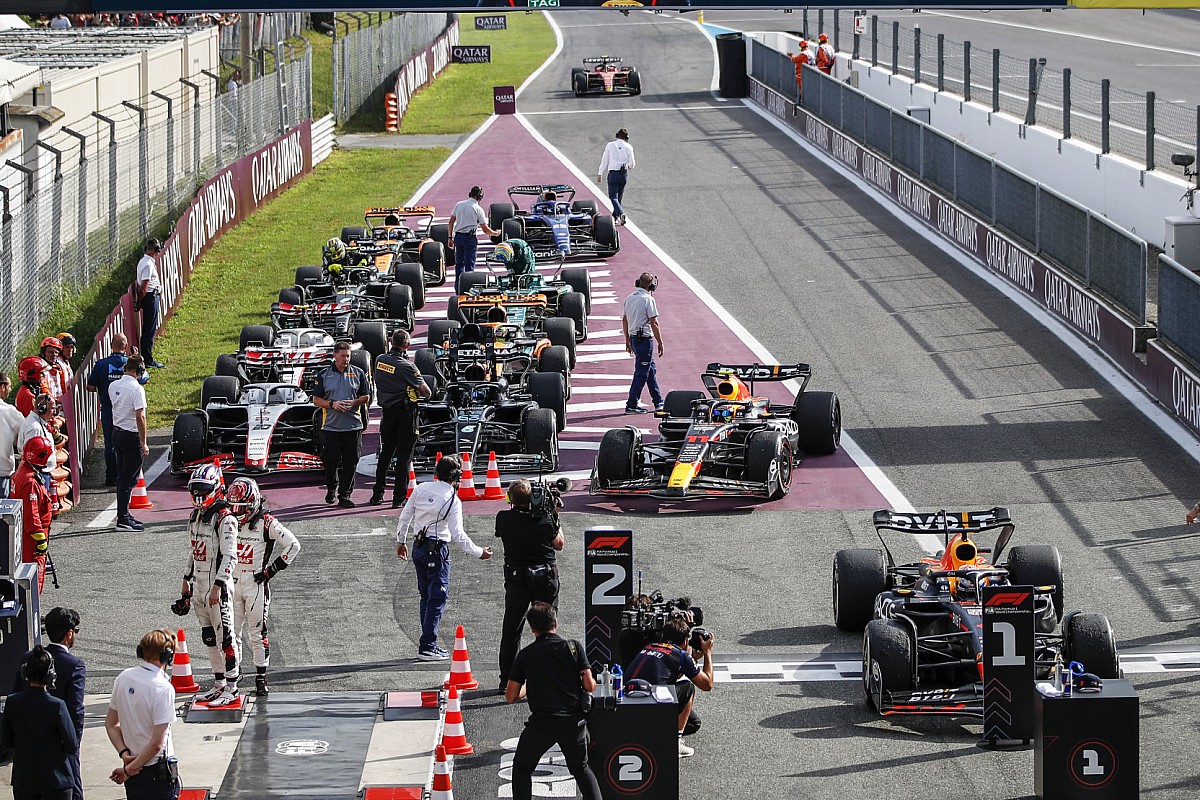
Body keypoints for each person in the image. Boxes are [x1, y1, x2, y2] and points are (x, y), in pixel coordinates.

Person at [395, 455, 493, 660]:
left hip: (418, 547)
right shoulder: (452, 500)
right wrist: (478, 552)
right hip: (437, 550)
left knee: (426, 596)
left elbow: (405, 515)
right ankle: (427, 645)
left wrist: (400, 541)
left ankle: (428, 642)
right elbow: (458, 534)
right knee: (437, 598)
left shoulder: (421, 489)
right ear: (456, 476)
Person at [505, 602, 603, 800]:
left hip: (542, 724)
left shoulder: (525, 655)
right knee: (581, 769)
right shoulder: (574, 648)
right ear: (555, 622)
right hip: (573, 723)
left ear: (532, 628)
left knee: (522, 769)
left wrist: (528, 685)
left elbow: (510, 696)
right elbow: (591, 686)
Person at [227, 477, 301, 697]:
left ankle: (261, 677)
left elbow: (293, 544)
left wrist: (272, 570)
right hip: (233, 583)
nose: (237, 511)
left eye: (242, 507)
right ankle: (234, 673)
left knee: (257, 633)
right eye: (234, 506)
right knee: (231, 633)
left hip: (256, 585)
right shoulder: (228, 520)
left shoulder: (267, 522)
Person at [496, 478, 564, 693]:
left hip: (517, 579)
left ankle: (507, 679)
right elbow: (559, 544)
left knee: (512, 629)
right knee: (547, 628)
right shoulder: (544, 518)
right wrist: (554, 514)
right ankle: (549, 675)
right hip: (544, 577)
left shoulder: (504, 518)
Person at [183, 463, 241, 707]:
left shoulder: (225, 519)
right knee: (209, 637)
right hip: (199, 587)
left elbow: (231, 556)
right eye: (195, 490)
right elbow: (193, 552)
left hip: (219, 589)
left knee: (226, 639)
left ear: (216, 489)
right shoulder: (196, 516)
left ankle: (233, 686)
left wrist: (218, 585)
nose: (198, 495)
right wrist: (185, 580)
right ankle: (219, 684)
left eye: (202, 490)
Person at [13, 608, 85, 800]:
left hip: (27, 751)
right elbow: (75, 710)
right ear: (69, 634)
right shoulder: (74, 665)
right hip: (60, 747)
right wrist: (73, 744)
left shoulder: (29, 658)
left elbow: (17, 698)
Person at [105, 629, 180, 798]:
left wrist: (125, 755)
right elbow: (156, 744)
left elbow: (111, 724)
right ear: (167, 656)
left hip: (133, 771)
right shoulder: (163, 688)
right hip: (156, 774)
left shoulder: (123, 677)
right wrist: (129, 770)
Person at [627, 617, 714, 758]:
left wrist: (694, 660)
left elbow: (667, 673)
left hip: (629, 702)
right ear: (685, 641)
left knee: (693, 723)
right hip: (650, 705)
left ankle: (656, 736)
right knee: (688, 688)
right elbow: (707, 684)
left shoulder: (650, 646)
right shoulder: (680, 655)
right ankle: (674, 743)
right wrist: (707, 653)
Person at [1, 645, 78, 800]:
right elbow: (71, 745)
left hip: (25, 780)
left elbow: (6, 741)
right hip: (56, 780)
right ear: (50, 676)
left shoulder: (12, 702)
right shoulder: (57, 706)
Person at [371, 330, 431, 507]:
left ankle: (377, 494)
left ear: (390, 342)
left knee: (386, 453)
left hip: (387, 413)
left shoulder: (380, 360)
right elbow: (426, 392)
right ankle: (399, 497)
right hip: (406, 414)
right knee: (404, 455)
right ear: (407, 346)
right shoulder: (408, 367)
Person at [311, 341, 371, 508]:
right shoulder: (323, 374)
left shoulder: (358, 373)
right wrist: (332, 404)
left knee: (351, 461)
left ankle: (345, 494)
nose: (346, 359)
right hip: (330, 427)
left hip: (353, 426)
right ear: (335, 355)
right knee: (330, 461)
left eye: (348, 356)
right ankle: (331, 488)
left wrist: (354, 403)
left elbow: (366, 397)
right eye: (343, 356)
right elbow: (316, 400)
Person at [86, 333, 149, 487]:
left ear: (111, 345)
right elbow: (144, 378)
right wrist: (137, 358)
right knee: (129, 442)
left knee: (110, 443)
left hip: (109, 408)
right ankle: (125, 477)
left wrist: (105, 389)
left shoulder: (101, 364)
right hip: (128, 409)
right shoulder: (131, 363)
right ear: (126, 346)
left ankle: (111, 477)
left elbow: (90, 386)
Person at [110, 355, 149, 531]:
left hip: (117, 433)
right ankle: (123, 518)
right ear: (139, 371)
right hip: (131, 436)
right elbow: (140, 416)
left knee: (122, 477)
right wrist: (144, 442)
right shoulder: (137, 389)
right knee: (129, 479)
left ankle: (123, 514)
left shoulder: (113, 386)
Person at [11, 437, 54, 593]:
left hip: (23, 534)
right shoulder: (31, 481)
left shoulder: (22, 470)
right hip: (32, 538)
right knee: (35, 575)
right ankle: (33, 613)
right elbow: (32, 514)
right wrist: (41, 539)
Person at [621, 272, 664, 414]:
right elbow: (654, 323)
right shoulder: (648, 300)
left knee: (650, 370)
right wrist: (660, 342)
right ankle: (631, 404)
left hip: (634, 338)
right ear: (651, 286)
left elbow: (625, 320)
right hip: (645, 340)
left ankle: (658, 401)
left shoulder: (629, 298)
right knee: (641, 373)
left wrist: (627, 339)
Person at [447, 186, 500, 294]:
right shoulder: (478, 209)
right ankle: (467, 288)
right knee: (469, 264)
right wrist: (495, 233)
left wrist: (449, 237)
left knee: (459, 264)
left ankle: (458, 289)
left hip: (458, 236)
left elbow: (451, 222)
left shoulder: (459, 204)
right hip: (469, 238)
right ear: (480, 197)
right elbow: (485, 229)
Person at [136, 238, 166, 369]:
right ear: (156, 250)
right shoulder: (148, 264)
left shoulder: (145, 262)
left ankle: (148, 358)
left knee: (149, 329)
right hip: (150, 297)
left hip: (150, 297)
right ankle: (148, 360)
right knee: (149, 330)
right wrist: (140, 301)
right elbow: (144, 287)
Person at [596, 128, 635, 226]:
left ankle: (620, 213)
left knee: (613, 196)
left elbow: (605, 160)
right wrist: (629, 166)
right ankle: (615, 216)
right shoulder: (629, 147)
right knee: (619, 197)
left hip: (613, 174)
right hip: (623, 174)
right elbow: (632, 164)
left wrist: (600, 173)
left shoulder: (610, 145)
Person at [0, 373, 24, 497]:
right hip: (2, 473)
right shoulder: (9, 411)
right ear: (2, 387)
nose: (10, 389)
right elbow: (26, 430)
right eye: (9, 386)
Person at [40, 337, 65, 405]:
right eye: (50, 352)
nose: (54, 355)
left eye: (56, 352)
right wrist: (55, 401)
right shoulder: (41, 370)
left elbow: (63, 388)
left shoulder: (58, 368)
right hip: (48, 404)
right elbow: (44, 388)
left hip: (60, 405)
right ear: (43, 353)